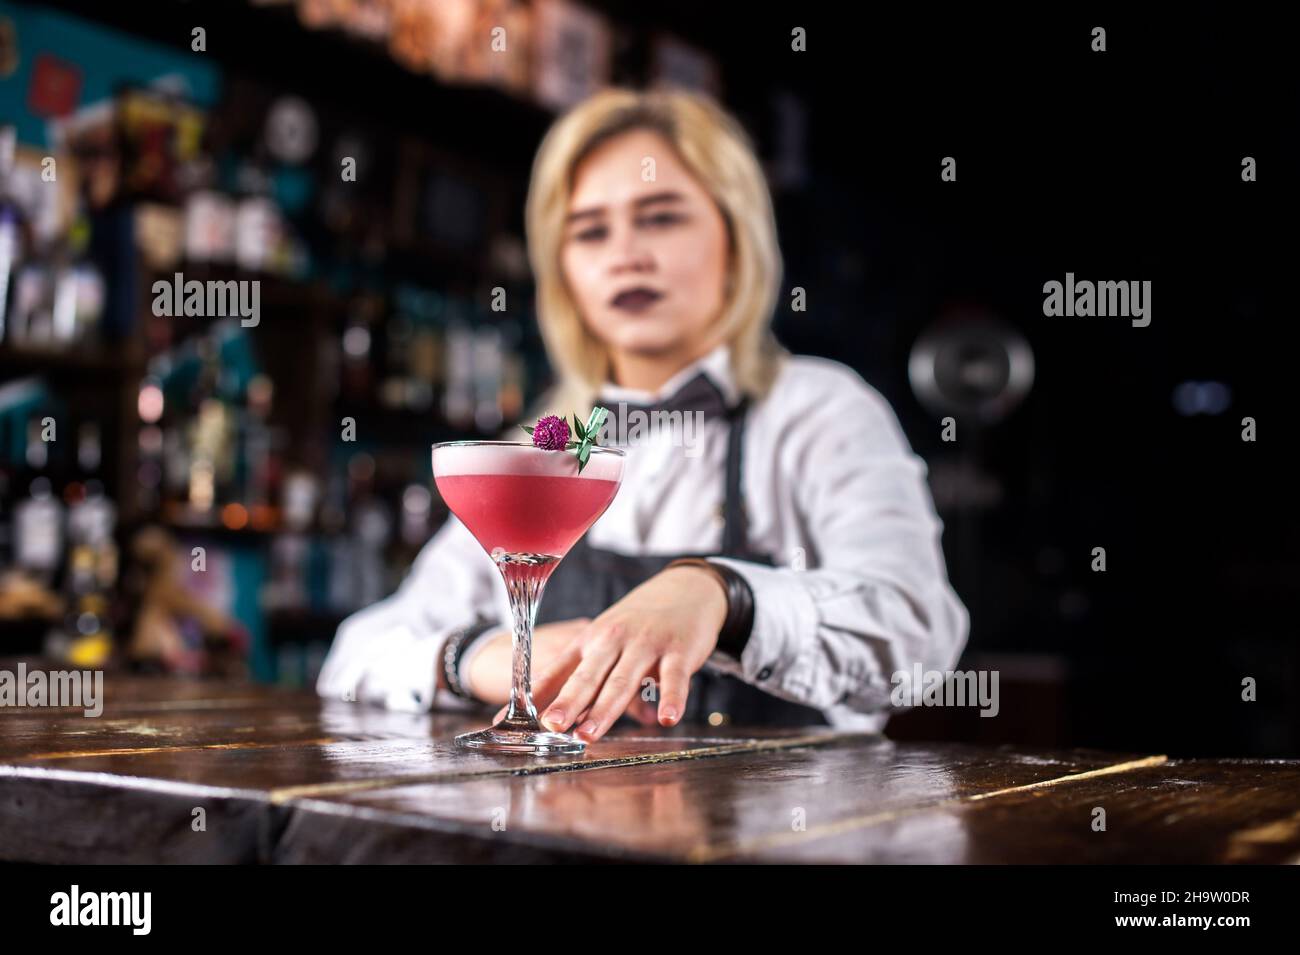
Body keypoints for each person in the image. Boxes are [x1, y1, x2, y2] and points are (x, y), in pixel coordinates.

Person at [317, 87, 969, 742]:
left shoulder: (820, 411)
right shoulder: (549, 447)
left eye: (661, 217)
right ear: (563, 270)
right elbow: (358, 651)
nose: (625, 252)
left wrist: (724, 595)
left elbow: (919, 636)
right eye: (591, 229)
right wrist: (477, 658)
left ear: (736, 242)